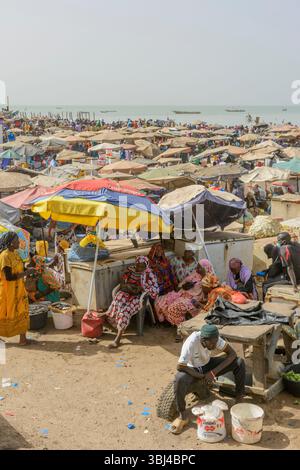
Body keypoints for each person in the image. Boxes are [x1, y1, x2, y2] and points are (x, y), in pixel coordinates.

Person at [171, 324, 246, 434]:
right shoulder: (191, 342)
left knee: (239, 363)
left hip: (208, 364)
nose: (215, 345)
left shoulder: (213, 338)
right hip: (194, 369)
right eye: (212, 343)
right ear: (203, 339)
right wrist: (202, 377)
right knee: (179, 378)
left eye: (216, 342)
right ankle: (183, 416)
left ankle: (239, 397)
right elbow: (180, 366)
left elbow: (232, 354)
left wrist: (212, 373)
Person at [102, 256, 159, 349]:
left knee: (125, 311)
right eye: (138, 265)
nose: (139, 268)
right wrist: (128, 286)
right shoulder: (130, 270)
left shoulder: (149, 274)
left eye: (142, 266)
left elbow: (155, 289)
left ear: (146, 266)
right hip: (127, 292)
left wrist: (141, 288)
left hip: (139, 297)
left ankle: (118, 337)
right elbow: (122, 282)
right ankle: (115, 322)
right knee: (118, 298)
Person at [155, 260, 214, 326]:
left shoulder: (209, 279)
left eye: (199, 267)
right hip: (183, 294)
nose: (196, 269)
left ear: (205, 268)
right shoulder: (195, 274)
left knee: (173, 308)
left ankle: (182, 326)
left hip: (194, 299)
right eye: (197, 267)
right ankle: (170, 322)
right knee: (160, 300)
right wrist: (185, 285)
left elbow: (207, 296)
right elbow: (183, 283)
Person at [0, 232, 30, 346]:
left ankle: (23, 339)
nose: (19, 242)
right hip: (8, 292)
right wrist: (26, 273)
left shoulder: (16, 253)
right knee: (5, 314)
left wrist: (29, 268)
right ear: (11, 243)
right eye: (17, 240)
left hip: (19, 290)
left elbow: (21, 267)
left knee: (23, 312)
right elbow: (9, 277)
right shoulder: (4, 256)